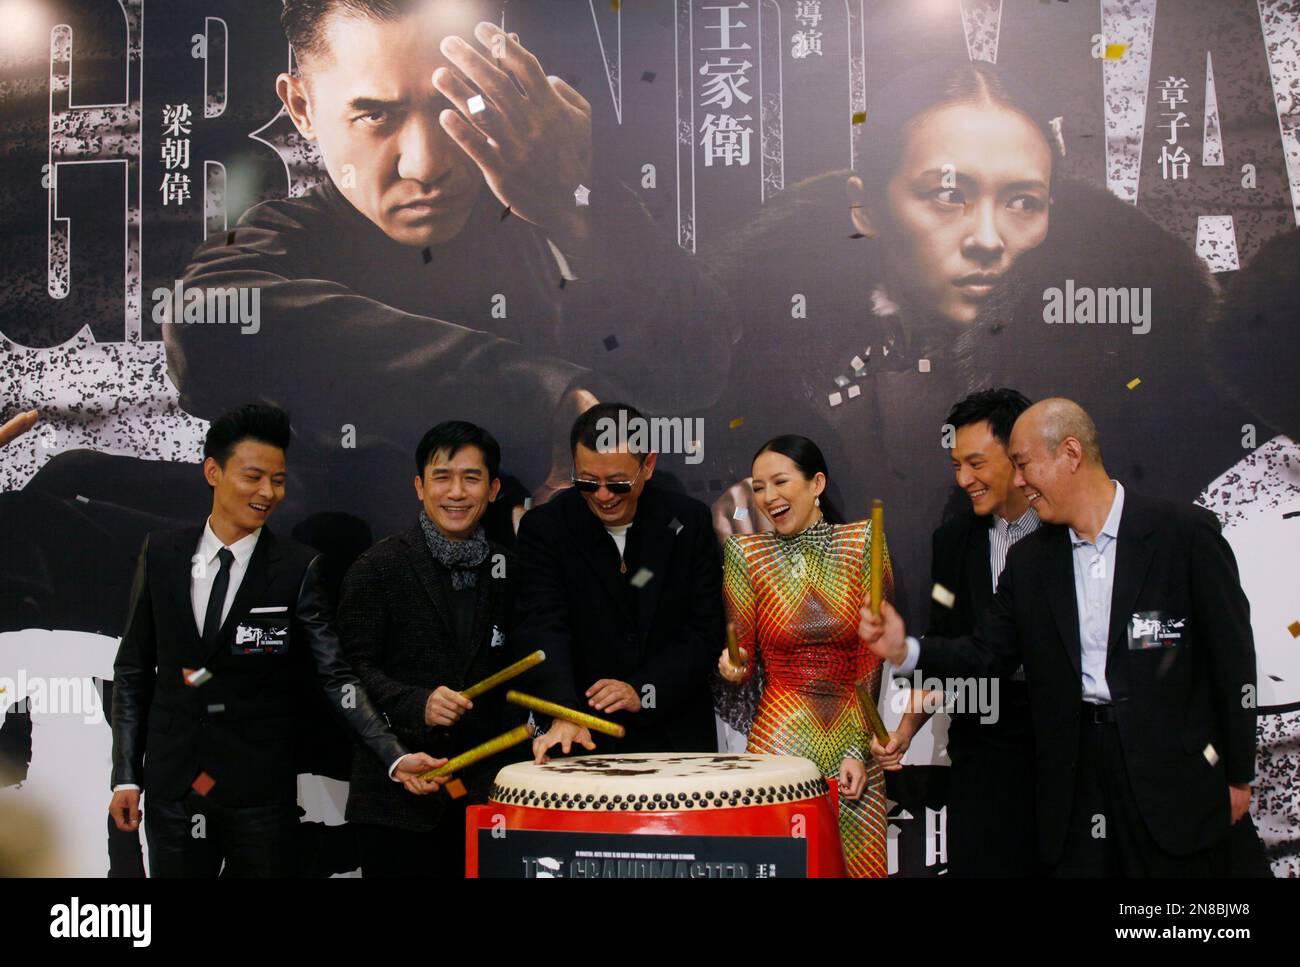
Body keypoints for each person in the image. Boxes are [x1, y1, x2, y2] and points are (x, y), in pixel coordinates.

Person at [163, 0, 736, 539]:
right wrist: (547, 395)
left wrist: (572, 206)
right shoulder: (283, 239)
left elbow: (701, 368)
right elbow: (205, 326)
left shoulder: (547, 216)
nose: (426, 164)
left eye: (455, 107)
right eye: (374, 116)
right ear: (302, 108)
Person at [708, 59, 1249, 625]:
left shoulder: (1133, 383)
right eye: (947, 195)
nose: (988, 239)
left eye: (1022, 202)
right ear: (865, 206)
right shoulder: (753, 370)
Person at [860, 398, 1259, 877]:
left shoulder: (1183, 535)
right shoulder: (1030, 561)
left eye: (1024, 465)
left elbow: (1232, 661)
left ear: (1070, 453)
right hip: (1073, 778)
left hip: (1171, 780)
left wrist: (1238, 775)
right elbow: (985, 653)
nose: (1020, 480)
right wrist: (906, 650)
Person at [109, 404, 441, 877]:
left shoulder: (297, 567)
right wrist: (126, 776)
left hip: (259, 796)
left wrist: (393, 753)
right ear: (212, 472)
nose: (268, 492)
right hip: (174, 789)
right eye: (253, 477)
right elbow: (133, 671)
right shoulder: (160, 552)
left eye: (279, 480)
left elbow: (336, 677)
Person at [338, 421, 524, 878]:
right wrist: (415, 703)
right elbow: (346, 674)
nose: (456, 492)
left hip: (490, 804)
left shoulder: (512, 571)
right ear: (420, 486)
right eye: (442, 477)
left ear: (494, 488)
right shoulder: (377, 567)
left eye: (471, 477)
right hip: (397, 805)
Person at [871, 388, 1039, 876]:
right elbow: (944, 652)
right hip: (981, 750)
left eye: (977, 464)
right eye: (955, 466)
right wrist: (902, 733)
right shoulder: (952, 542)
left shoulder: (1063, 533)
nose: (965, 479)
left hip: (1060, 751)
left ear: (1019, 455)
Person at [716, 435, 892, 879]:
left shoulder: (863, 542)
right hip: (781, 733)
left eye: (779, 482)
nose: (768, 497)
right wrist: (733, 666)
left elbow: (872, 656)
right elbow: (744, 657)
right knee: (782, 867)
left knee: (860, 868)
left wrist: (860, 748)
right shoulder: (745, 553)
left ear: (816, 484)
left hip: (854, 729)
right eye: (758, 487)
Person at [516, 402, 724, 761]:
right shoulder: (545, 528)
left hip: (677, 737)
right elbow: (542, 625)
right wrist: (563, 711)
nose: (602, 496)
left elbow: (705, 629)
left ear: (649, 466)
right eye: (587, 481)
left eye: (617, 483)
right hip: (582, 736)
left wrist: (642, 689)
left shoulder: (689, 521)